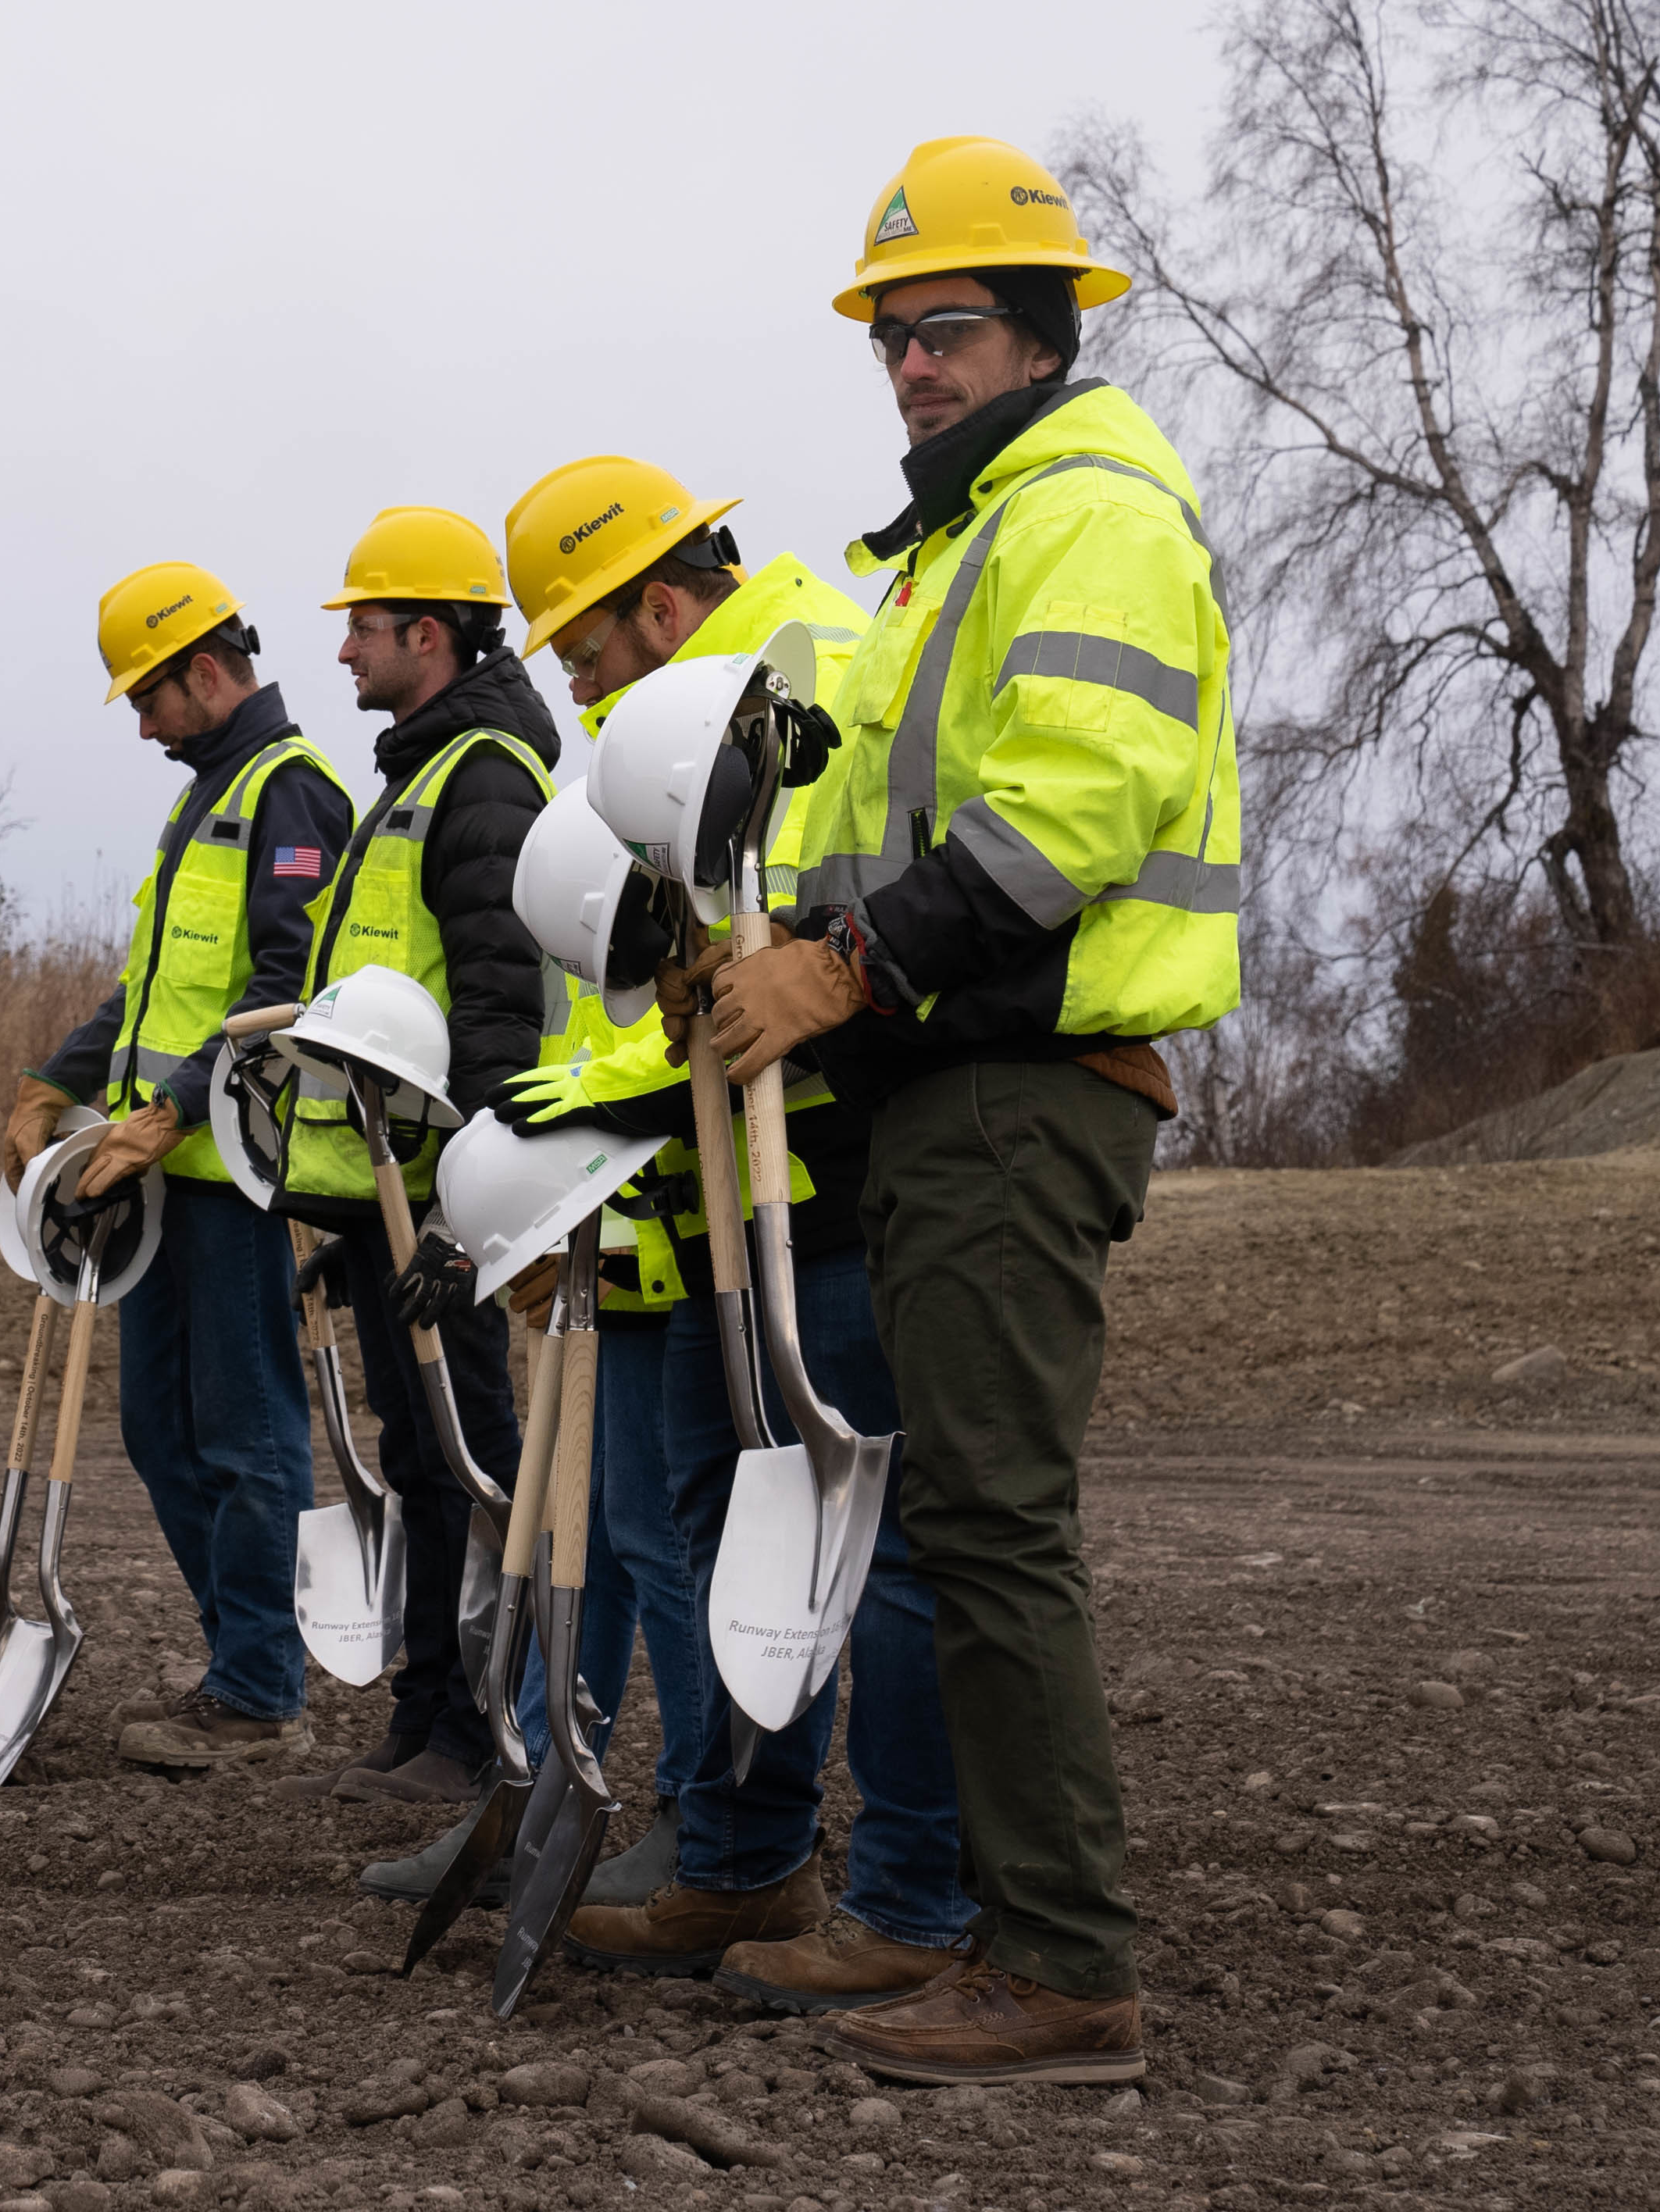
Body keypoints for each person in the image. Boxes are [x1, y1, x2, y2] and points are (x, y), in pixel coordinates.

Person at [708, 137, 1244, 2083]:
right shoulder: (953, 551)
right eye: (890, 339)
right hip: (953, 1088)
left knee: (993, 1527)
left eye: (944, 330)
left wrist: (843, 969)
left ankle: (1065, 1973)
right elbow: (901, 832)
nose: (913, 366)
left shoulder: (1084, 513)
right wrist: (780, 952)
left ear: (1037, 337)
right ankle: (969, 1932)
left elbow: (1074, 811)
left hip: (1025, 1088)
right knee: (961, 1518)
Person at [378, 457, 972, 2005]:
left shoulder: (799, 690)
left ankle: (891, 1886)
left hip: (816, 1183)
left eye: (582, 649)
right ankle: (737, 1858)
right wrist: (545, 1170)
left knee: (860, 1550)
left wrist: (573, 1128)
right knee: (709, 1540)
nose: (571, 688)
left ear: (660, 603)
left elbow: (791, 960)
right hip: (697, 1193)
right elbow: (652, 999)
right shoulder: (664, 733)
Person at [7, 562, 355, 1771]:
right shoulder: (206, 799)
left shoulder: (292, 794)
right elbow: (148, 993)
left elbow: (290, 990)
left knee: (246, 1436)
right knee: (160, 1434)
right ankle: (240, 1664)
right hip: (155, 1179)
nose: (145, 727)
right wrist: (53, 1079)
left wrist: (174, 1111)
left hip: (235, 1178)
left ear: (206, 673)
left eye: (149, 700)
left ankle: (259, 1693)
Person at [265, 507, 559, 1808]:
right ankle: (428, 1710)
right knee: (422, 1459)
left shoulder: (481, 780)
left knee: (466, 1459)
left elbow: (497, 1012)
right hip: (391, 1204)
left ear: (427, 635)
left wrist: (467, 1216)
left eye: (364, 628)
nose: (344, 652)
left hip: (443, 1202)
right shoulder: (421, 774)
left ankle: (480, 1732)